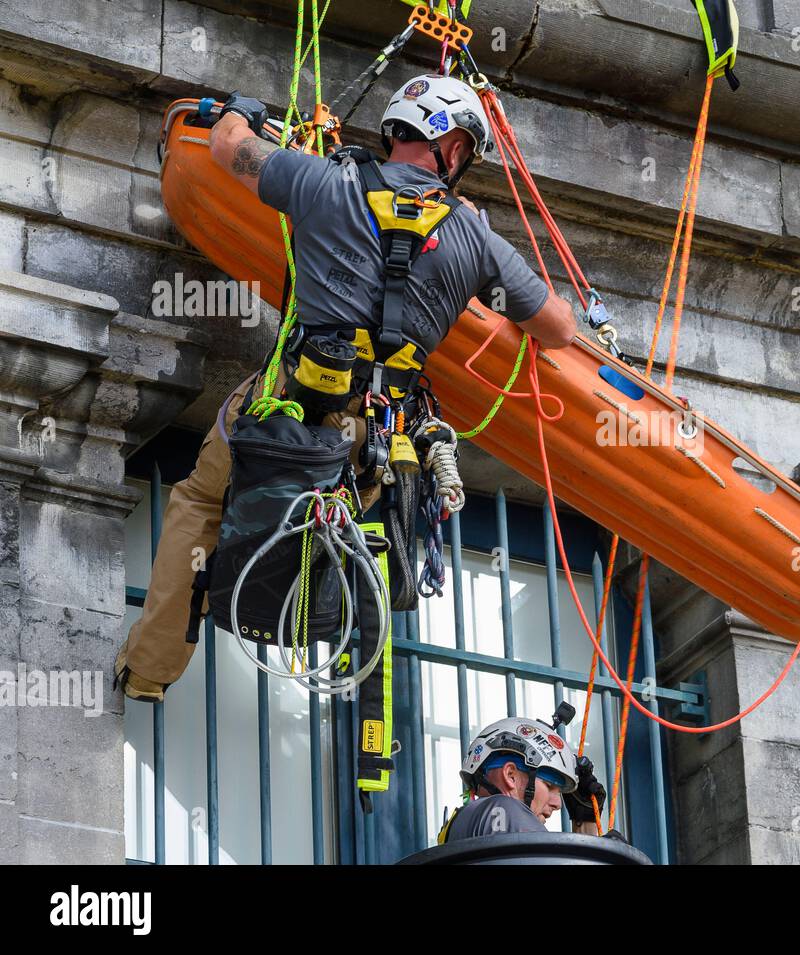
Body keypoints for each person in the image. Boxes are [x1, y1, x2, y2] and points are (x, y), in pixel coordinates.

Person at [116, 74, 577, 701]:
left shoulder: (326, 182)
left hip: (287, 402)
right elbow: (558, 328)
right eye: (466, 148)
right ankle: (305, 636)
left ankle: (150, 671)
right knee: (331, 528)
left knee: (201, 502)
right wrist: (476, 244)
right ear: (450, 145)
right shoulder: (476, 239)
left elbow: (228, 146)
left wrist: (241, 111)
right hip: (377, 434)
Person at [439, 716, 609, 842]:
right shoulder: (503, 808)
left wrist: (585, 823)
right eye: (549, 785)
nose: (558, 804)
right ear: (510, 775)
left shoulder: (469, 822)